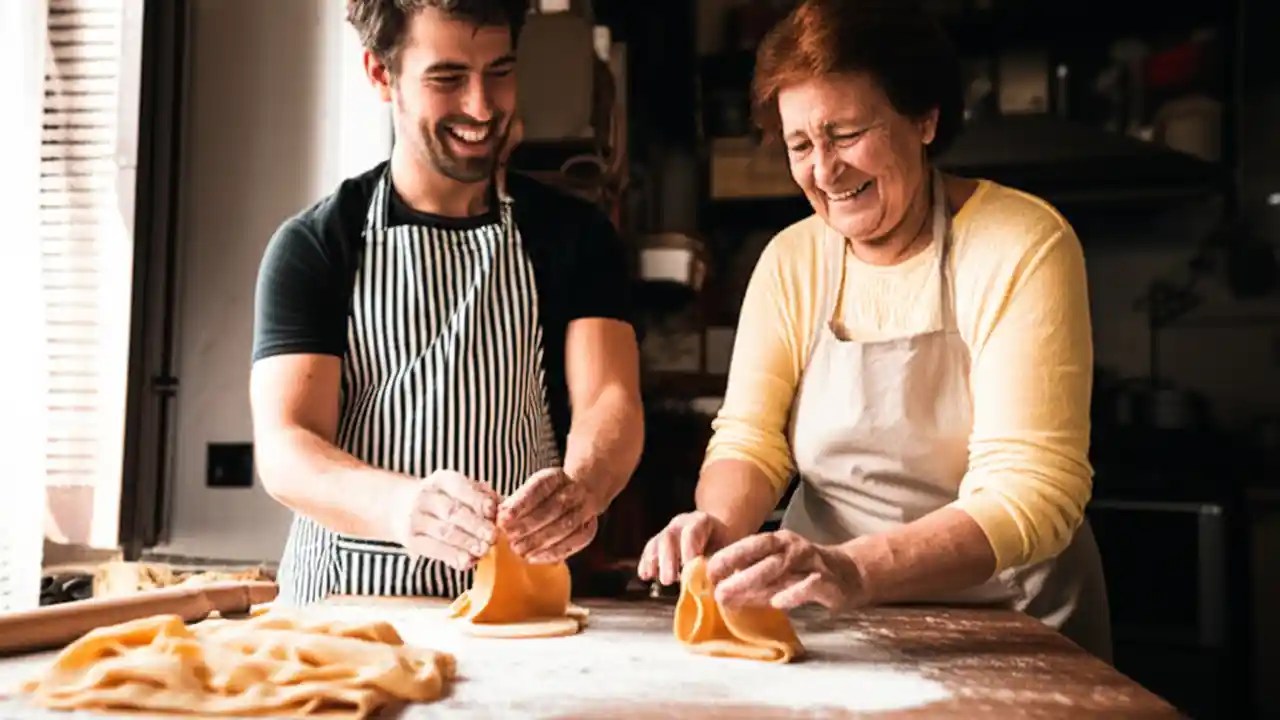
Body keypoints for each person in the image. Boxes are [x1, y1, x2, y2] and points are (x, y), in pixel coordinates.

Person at [638, 0, 1111, 661]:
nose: (825, 171)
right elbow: (751, 438)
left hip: (1010, 626)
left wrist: (859, 569)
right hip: (827, 624)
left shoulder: (1020, 243)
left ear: (924, 118)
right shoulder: (791, 261)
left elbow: (1032, 487)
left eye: (848, 133)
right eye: (801, 145)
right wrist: (717, 527)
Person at [250, 0, 643, 605]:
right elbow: (286, 447)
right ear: (381, 75)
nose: (482, 107)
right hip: (347, 612)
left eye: (500, 72)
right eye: (448, 78)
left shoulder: (574, 235)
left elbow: (609, 398)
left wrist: (582, 486)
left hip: (520, 610)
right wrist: (400, 504)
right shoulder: (315, 246)